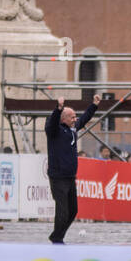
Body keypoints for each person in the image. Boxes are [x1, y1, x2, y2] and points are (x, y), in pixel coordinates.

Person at [45, 96, 99, 244]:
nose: (75, 119)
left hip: (70, 176)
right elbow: (52, 124)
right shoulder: (54, 131)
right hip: (58, 176)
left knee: (73, 210)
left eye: (75, 116)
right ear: (63, 118)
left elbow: (84, 119)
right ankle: (57, 238)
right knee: (62, 211)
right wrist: (58, 109)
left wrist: (94, 105)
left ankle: (57, 235)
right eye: (72, 117)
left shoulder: (72, 129)